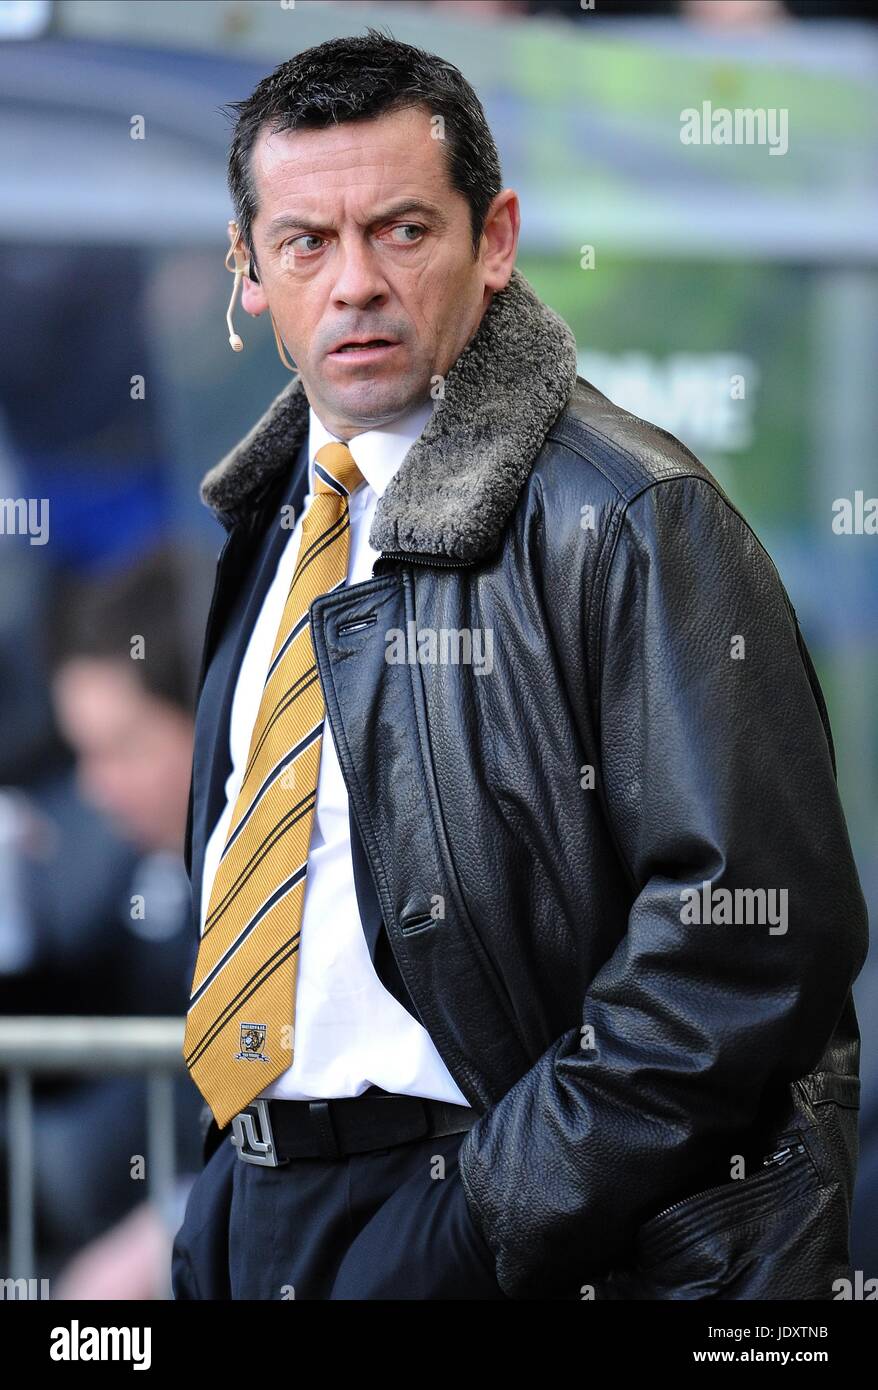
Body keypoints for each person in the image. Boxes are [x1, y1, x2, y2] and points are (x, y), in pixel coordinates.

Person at [172, 30, 868, 1301]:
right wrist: (223, 1202)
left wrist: (484, 1218)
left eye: (401, 230)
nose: (356, 285)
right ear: (249, 269)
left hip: (502, 1224)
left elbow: (750, 939)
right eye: (305, 243)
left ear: (492, 240)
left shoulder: (626, 511)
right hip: (258, 1203)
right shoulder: (275, 508)